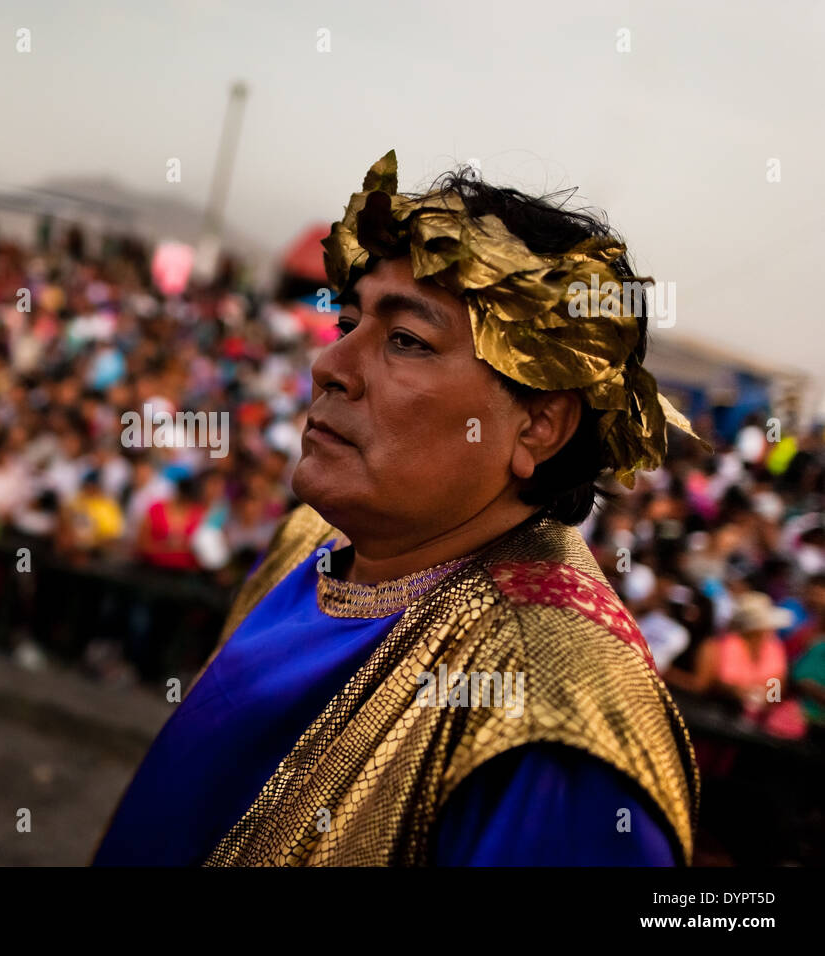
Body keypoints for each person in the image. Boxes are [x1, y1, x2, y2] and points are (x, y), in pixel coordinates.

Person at [93, 149, 710, 867]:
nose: (330, 366)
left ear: (538, 425)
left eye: (408, 341)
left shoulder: (550, 727)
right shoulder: (311, 542)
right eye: (346, 324)